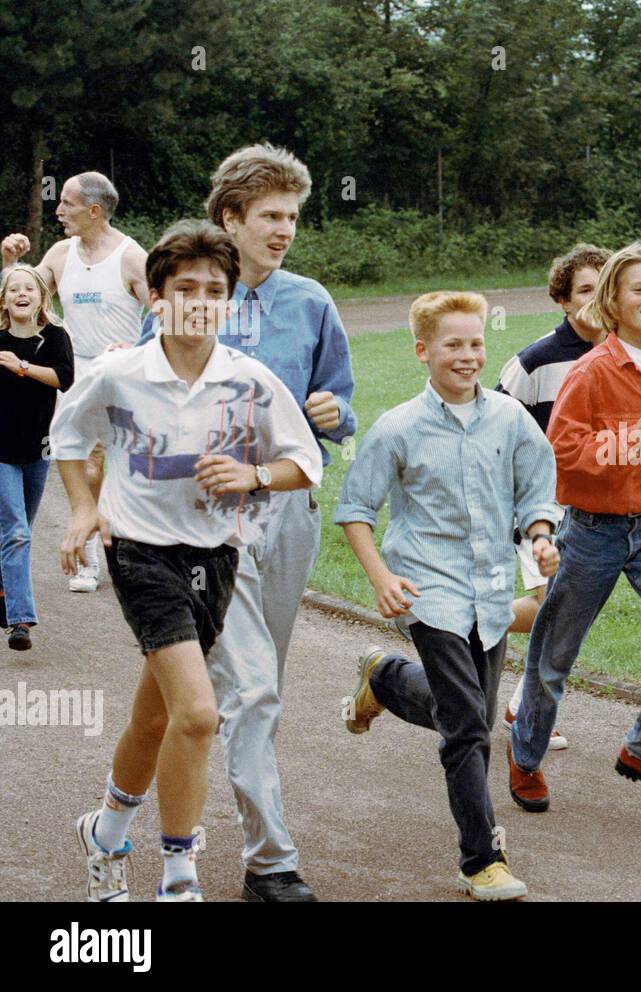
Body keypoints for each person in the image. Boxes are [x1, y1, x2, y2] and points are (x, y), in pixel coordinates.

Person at [51, 220, 322, 901]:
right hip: (139, 552)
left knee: (156, 716)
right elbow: (67, 437)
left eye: (214, 289)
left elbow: (304, 461)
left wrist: (253, 476)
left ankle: (106, 831)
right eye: (184, 288)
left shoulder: (250, 380)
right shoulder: (120, 372)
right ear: (156, 297)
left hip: (215, 558)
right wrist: (84, 508)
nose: (199, 301)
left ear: (229, 301)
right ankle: (179, 875)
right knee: (200, 714)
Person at [135, 144, 357, 901]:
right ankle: (271, 863)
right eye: (270, 215)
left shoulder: (312, 302)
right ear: (230, 218)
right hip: (205, 520)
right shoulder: (185, 298)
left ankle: (114, 810)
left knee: (236, 690)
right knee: (252, 688)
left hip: (288, 509)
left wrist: (334, 413)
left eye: (293, 216)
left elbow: (340, 402)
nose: (285, 229)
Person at [337, 291, 561, 901]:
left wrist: (541, 538)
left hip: (489, 596)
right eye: (453, 345)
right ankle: (479, 860)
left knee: (463, 714)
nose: (468, 356)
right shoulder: (398, 428)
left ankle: (383, 678)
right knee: (467, 729)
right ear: (423, 351)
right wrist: (381, 578)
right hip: (426, 591)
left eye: (476, 343)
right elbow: (355, 510)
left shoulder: (511, 420)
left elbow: (537, 491)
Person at [507, 241, 641, 814]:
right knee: (555, 655)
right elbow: (559, 449)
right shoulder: (592, 369)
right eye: (639, 289)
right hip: (591, 530)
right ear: (614, 301)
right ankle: (525, 760)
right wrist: (624, 443)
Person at [1, 173, 149, 592]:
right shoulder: (62, 253)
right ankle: (91, 554)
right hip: (73, 375)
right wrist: (9, 262)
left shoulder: (129, 257)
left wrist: (138, 345)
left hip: (119, 376)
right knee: (81, 462)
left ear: (94, 211)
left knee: (107, 465)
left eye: (66, 204)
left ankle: (110, 547)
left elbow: (163, 309)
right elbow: (23, 294)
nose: (59, 210)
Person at [496, 242, 612, 750]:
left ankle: (466, 619)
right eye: (584, 289)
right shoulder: (533, 361)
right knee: (554, 602)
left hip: (599, 510)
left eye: (603, 287)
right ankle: (524, 707)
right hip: (537, 505)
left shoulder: (625, 354)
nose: (595, 299)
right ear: (563, 300)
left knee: (563, 608)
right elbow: (491, 431)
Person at [0, 265, 74, 650]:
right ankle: (21, 621)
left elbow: (65, 378)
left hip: (38, 451)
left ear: (42, 296)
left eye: (29, 288)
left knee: (18, 529)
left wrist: (22, 367)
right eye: (14, 289)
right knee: (15, 532)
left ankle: (4, 590)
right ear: (4, 299)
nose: (22, 294)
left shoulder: (55, 338)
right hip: (1, 452)